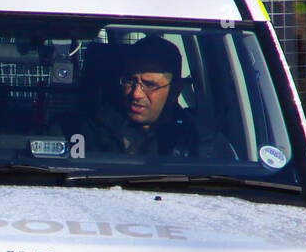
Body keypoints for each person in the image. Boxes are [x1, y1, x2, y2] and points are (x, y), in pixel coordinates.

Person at [78, 36, 230, 159]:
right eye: (130, 81)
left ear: (175, 90)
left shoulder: (202, 144)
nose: (136, 94)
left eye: (149, 84)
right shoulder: (82, 133)